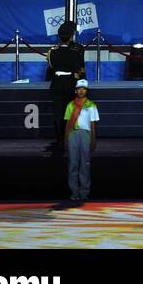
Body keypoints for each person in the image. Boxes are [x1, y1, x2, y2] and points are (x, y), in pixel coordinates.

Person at [46, 19, 85, 150]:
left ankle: (60, 140)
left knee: (58, 113)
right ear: (72, 35)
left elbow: (51, 70)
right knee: (70, 113)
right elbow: (80, 69)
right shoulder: (78, 49)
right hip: (70, 84)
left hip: (56, 84)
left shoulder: (52, 50)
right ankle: (68, 139)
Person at [64, 78, 99, 203]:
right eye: (79, 89)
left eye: (84, 89)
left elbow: (93, 124)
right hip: (73, 134)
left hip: (85, 135)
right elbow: (68, 123)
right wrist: (66, 140)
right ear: (76, 90)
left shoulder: (91, 106)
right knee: (73, 164)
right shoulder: (70, 105)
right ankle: (74, 192)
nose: (81, 91)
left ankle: (84, 192)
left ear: (87, 91)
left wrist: (93, 140)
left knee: (85, 164)